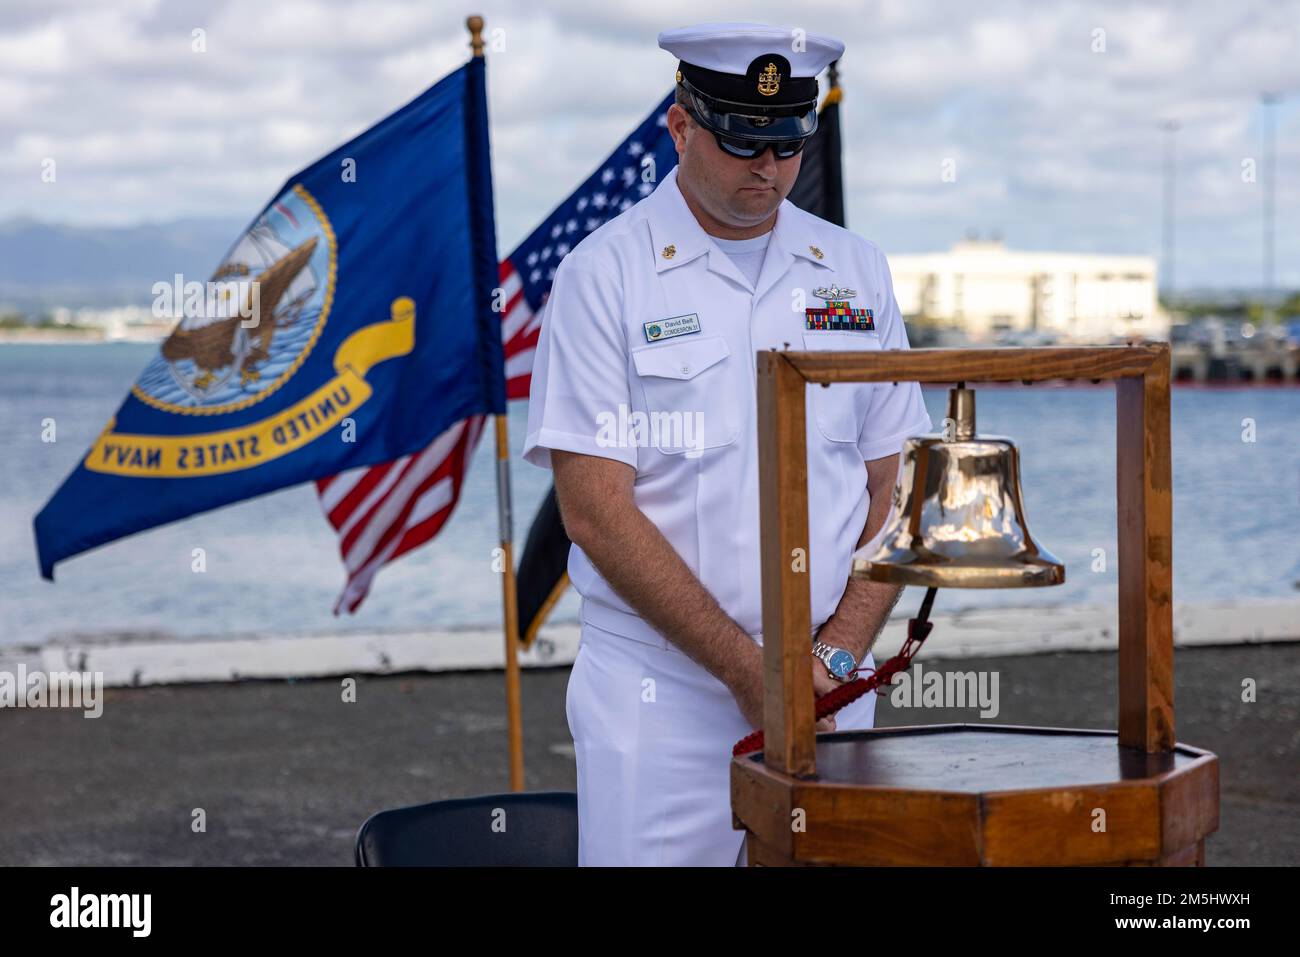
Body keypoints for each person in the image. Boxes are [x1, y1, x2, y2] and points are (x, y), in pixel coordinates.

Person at [522, 21, 933, 866]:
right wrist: (748, 667)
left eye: (787, 141)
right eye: (744, 138)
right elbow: (595, 512)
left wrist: (838, 647)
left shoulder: (855, 271)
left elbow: (899, 484)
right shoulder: (605, 275)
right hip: (662, 693)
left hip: (828, 684)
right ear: (680, 126)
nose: (769, 167)